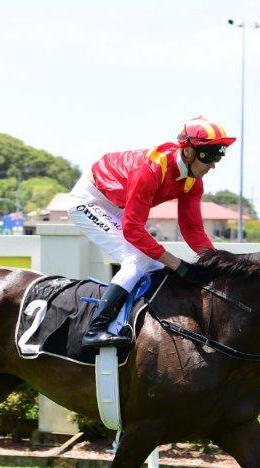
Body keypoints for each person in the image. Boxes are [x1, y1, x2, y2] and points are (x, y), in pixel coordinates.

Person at [67, 116, 236, 348]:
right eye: (209, 156)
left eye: (218, 156)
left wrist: (217, 264)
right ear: (188, 151)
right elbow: (132, 229)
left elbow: (193, 229)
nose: (213, 164)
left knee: (155, 267)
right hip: (89, 200)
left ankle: (136, 325)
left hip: (118, 205)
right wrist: (176, 263)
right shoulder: (151, 170)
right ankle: (95, 329)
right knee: (137, 259)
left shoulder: (193, 182)